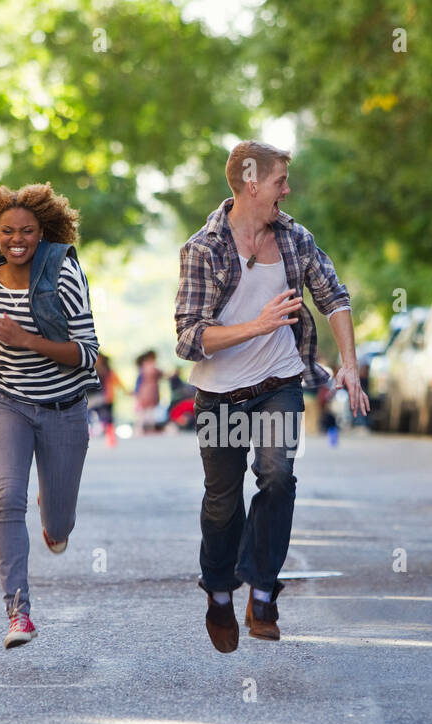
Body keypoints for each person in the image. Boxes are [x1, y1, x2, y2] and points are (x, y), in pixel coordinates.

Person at [175, 140, 369, 653]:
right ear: (252, 183)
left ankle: (263, 591)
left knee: (278, 478)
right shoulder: (202, 248)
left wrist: (348, 364)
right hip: (219, 394)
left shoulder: (295, 238)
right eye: (281, 180)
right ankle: (219, 593)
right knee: (222, 501)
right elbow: (189, 337)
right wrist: (254, 326)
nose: (288, 188)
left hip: (279, 384)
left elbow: (334, 297)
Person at [0, 183, 100, 650]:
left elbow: (89, 355)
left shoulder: (65, 278)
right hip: (8, 403)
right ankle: (19, 612)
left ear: (43, 233)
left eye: (28, 231)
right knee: (7, 498)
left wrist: (26, 338)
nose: (17, 239)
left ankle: (53, 517)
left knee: (59, 524)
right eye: (7, 232)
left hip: (63, 409)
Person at [88, 352, 121, 447]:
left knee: (108, 418)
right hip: (95, 398)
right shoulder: (92, 369)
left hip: (105, 398)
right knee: (91, 415)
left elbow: (117, 382)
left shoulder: (106, 371)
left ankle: (110, 438)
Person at [134, 350, 162, 433]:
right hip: (149, 390)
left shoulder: (143, 366)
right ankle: (147, 428)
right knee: (148, 411)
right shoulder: (149, 365)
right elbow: (159, 373)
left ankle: (143, 429)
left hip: (145, 390)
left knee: (145, 411)